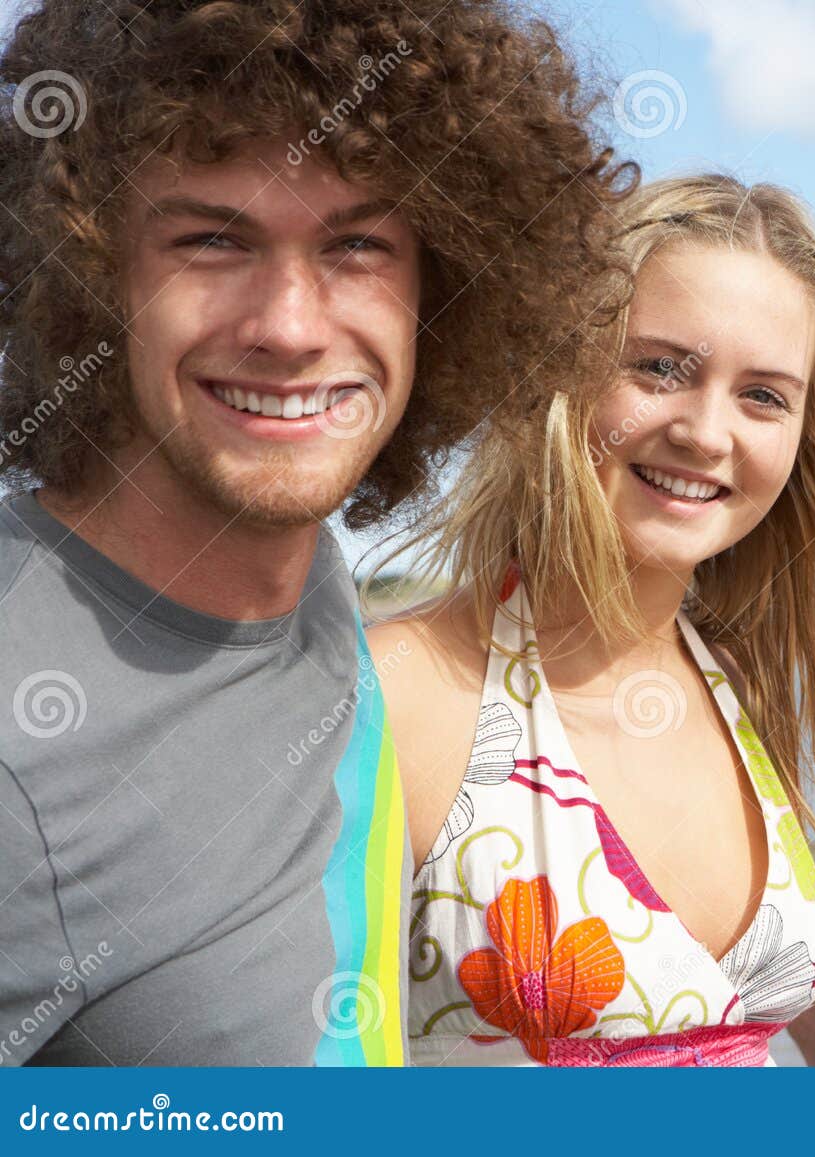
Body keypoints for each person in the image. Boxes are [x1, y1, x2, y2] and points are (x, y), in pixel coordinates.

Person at [0, 0, 631, 1065]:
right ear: (93, 274)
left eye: (357, 245)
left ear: (446, 284)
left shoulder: (309, 583)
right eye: (211, 239)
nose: (289, 327)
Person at [372, 175, 815, 1066]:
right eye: (658, 368)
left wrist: (787, 1018)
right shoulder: (400, 690)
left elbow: (676, 994)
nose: (705, 431)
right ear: (556, 371)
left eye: (763, 395)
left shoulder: (736, 674)